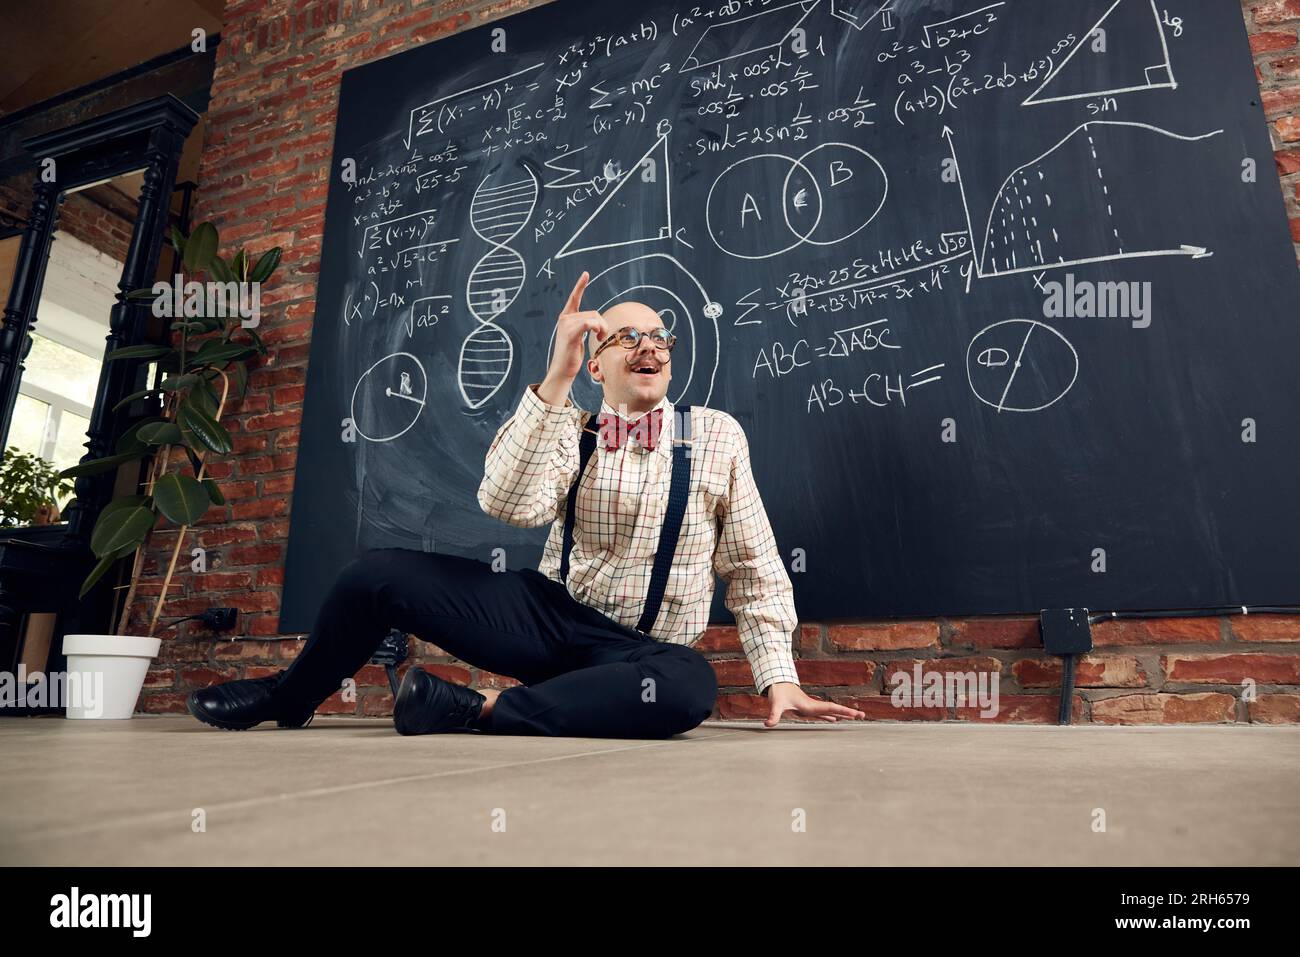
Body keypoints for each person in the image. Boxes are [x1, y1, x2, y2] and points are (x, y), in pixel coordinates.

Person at [188, 272, 866, 737]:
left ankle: (481, 708)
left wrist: (779, 678)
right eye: (625, 336)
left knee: (690, 685)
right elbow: (506, 503)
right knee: (373, 575)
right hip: (546, 618)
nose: (650, 344)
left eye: (660, 335)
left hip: (637, 655)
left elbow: (752, 566)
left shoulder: (717, 435)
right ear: (595, 364)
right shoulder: (568, 424)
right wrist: (556, 378)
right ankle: (291, 697)